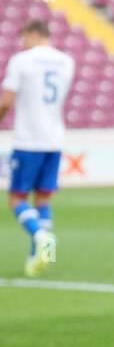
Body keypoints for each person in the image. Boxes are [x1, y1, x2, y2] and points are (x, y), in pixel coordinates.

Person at [1, 19, 75, 277]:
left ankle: (41, 235)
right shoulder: (66, 61)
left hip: (28, 139)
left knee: (17, 199)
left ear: (33, 34)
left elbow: (6, 102)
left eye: (24, 37)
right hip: (54, 139)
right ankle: (38, 256)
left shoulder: (22, 60)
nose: (22, 42)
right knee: (43, 197)